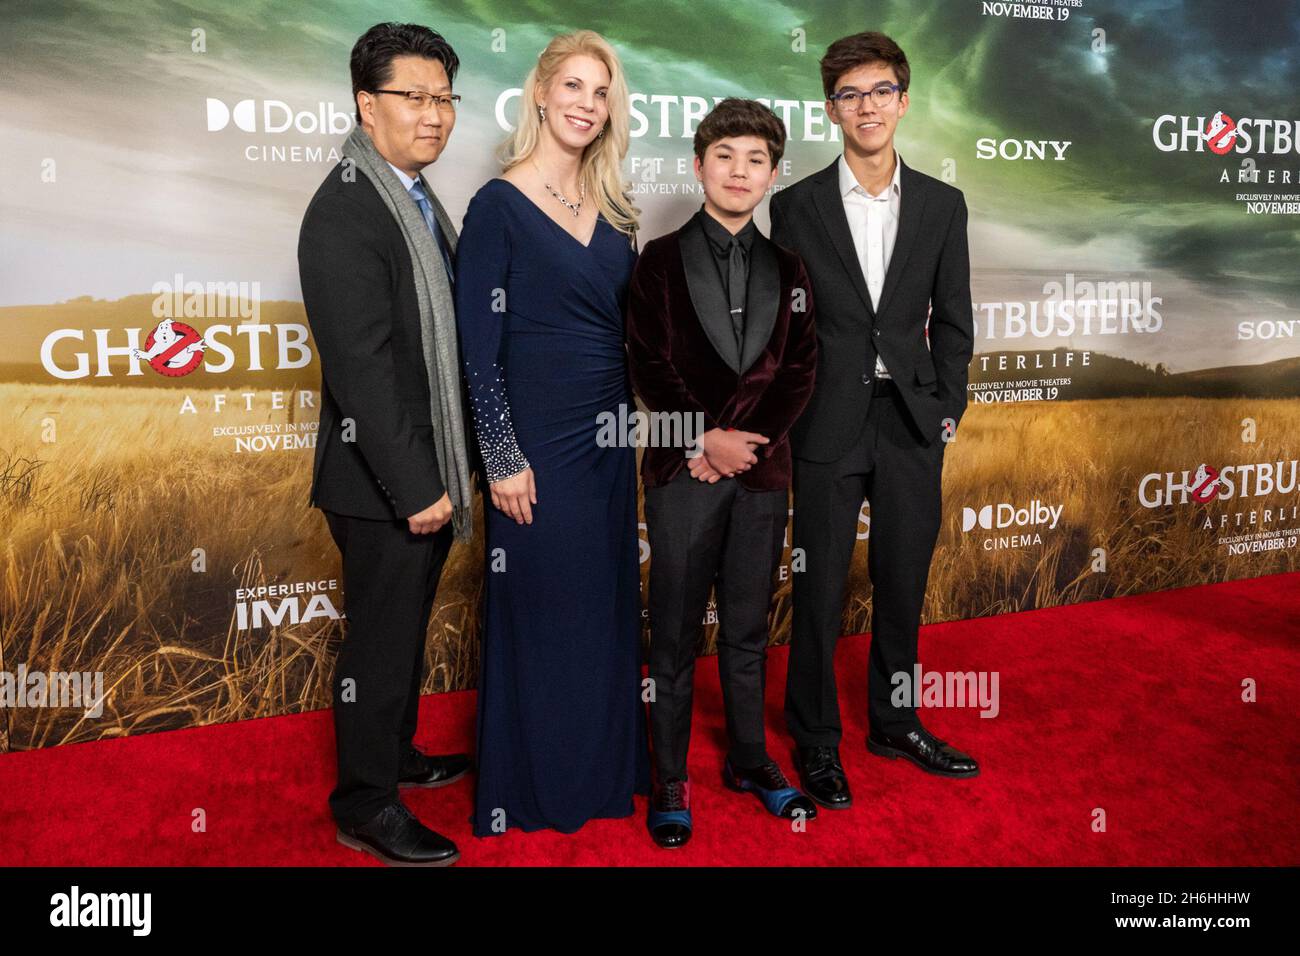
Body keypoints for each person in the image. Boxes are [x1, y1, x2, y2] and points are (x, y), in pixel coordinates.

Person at [769, 31, 979, 810]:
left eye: (881, 90)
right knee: (818, 586)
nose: (868, 106)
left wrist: (947, 406)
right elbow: (783, 326)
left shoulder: (942, 205)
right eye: (851, 94)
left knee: (902, 582)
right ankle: (816, 739)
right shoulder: (792, 207)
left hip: (912, 425)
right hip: (826, 425)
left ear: (904, 99)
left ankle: (895, 722)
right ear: (832, 109)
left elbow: (955, 320)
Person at [454, 30, 650, 837]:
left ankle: (604, 776)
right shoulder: (497, 205)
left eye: (600, 92)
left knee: (603, 610)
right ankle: (533, 786)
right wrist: (501, 458)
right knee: (545, 613)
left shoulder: (616, 209)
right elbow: (477, 347)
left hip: (609, 443)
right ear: (540, 94)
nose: (585, 103)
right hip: (535, 449)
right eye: (572, 86)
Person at [297, 21, 474, 866]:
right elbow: (361, 368)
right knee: (377, 640)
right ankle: (366, 804)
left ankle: (396, 755)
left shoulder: (411, 196)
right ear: (369, 105)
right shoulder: (345, 206)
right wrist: (415, 486)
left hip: (424, 468)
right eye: (416, 97)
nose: (435, 115)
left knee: (401, 632)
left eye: (445, 98)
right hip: (382, 484)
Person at [627, 99, 819, 848]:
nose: (740, 171)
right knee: (672, 634)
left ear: (773, 174)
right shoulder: (658, 261)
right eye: (726, 156)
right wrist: (706, 440)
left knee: (745, 629)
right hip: (681, 476)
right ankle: (670, 777)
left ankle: (748, 760)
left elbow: (801, 370)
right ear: (699, 164)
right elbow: (649, 364)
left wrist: (749, 443)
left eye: (756, 160)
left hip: (763, 479)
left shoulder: (791, 269)